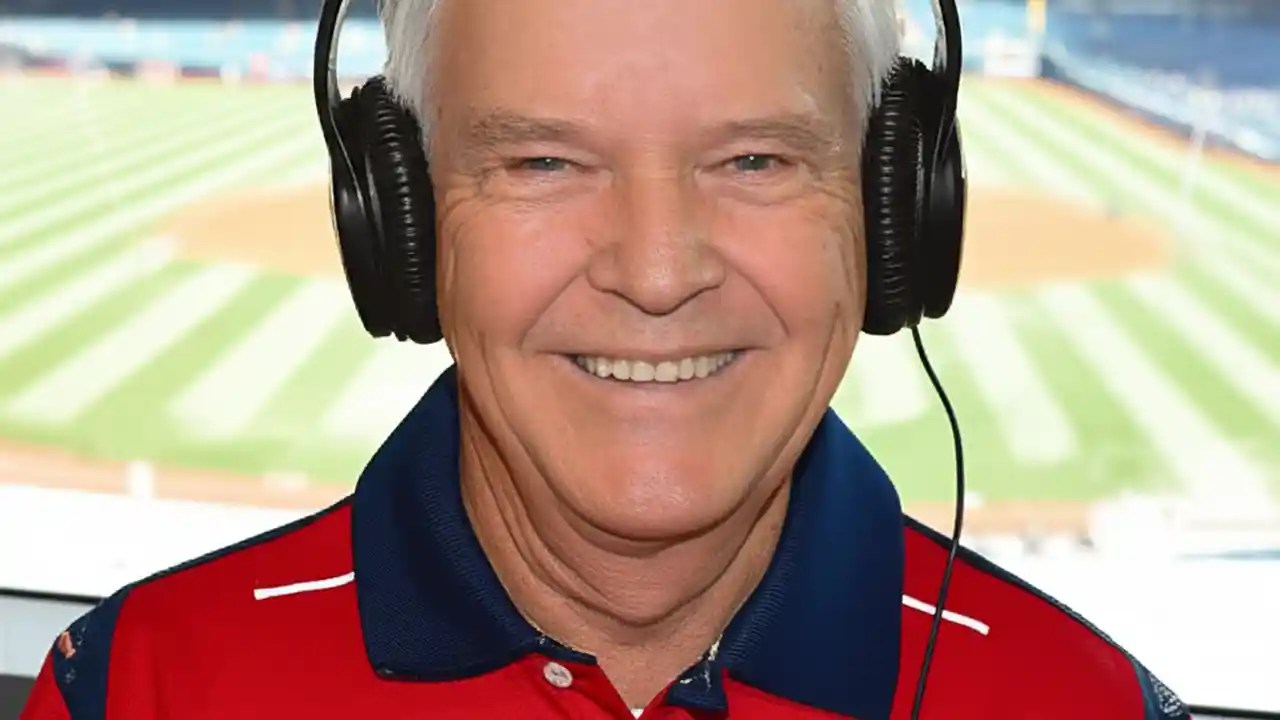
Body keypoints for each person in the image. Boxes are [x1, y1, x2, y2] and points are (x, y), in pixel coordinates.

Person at [22, 0, 1188, 717]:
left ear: (891, 214)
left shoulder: (1086, 708)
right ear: (401, 223)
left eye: (755, 162)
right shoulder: (140, 690)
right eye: (539, 164)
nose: (656, 268)